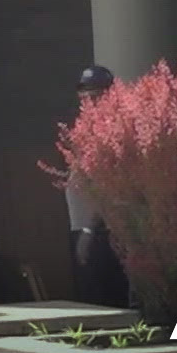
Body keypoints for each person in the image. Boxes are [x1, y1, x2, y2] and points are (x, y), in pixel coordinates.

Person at [65, 65, 131, 308]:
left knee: (105, 302)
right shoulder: (87, 128)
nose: (89, 100)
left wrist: (90, 230)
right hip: (83, 227)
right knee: (90, 299)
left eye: (96, 94)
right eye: (84, 93)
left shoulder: (114, 130)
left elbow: (108, 185)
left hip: (101, 230)